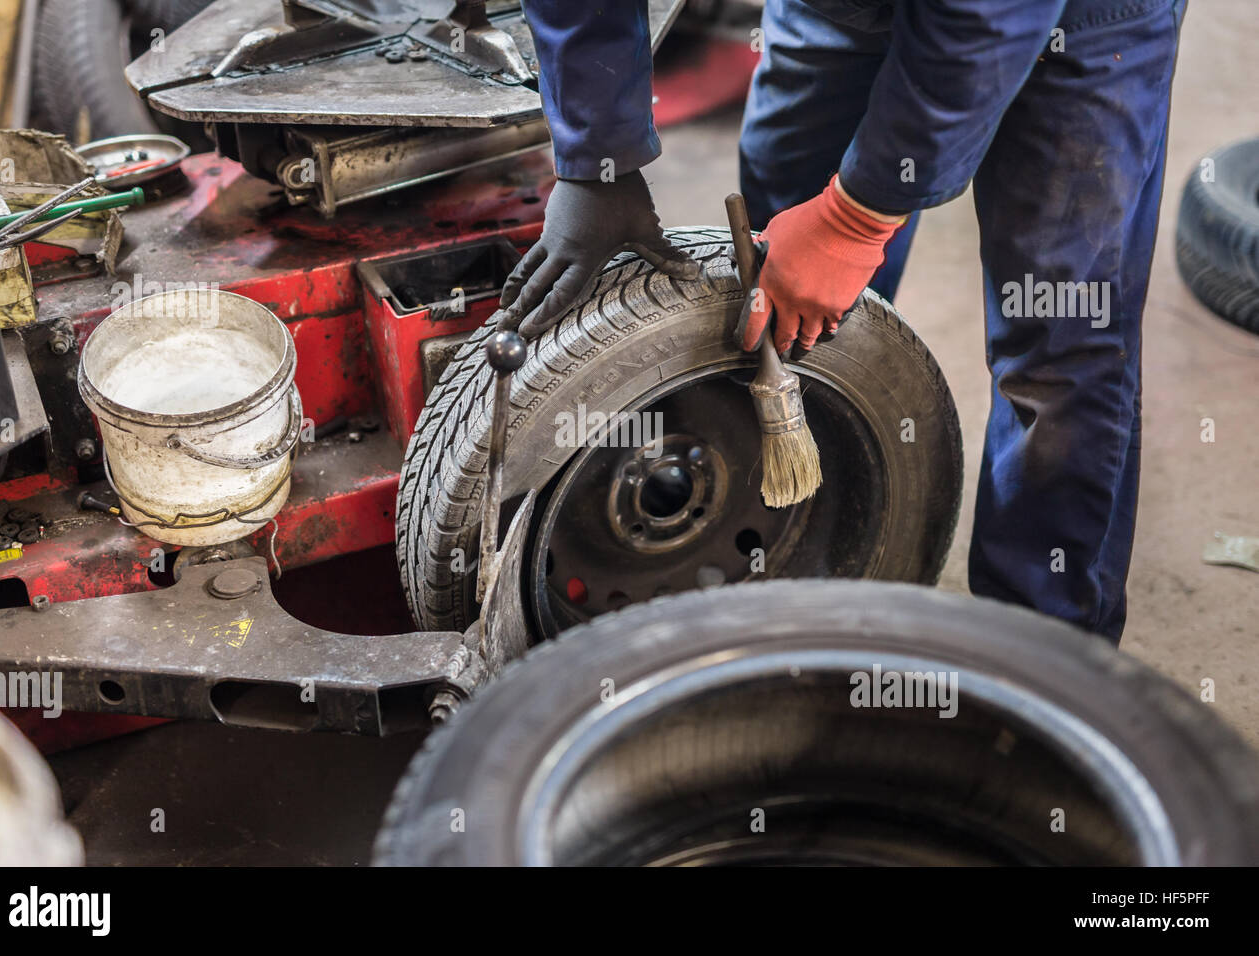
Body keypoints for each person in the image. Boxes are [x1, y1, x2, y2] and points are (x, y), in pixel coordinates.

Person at [495, 0, 1187, 642]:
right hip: (840, 10)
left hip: (1081, 18)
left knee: (1058, 355)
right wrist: (597, 160)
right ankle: (813, 575)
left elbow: (990, 14)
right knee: (784, 310)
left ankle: (1043, 669)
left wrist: (858, 218)